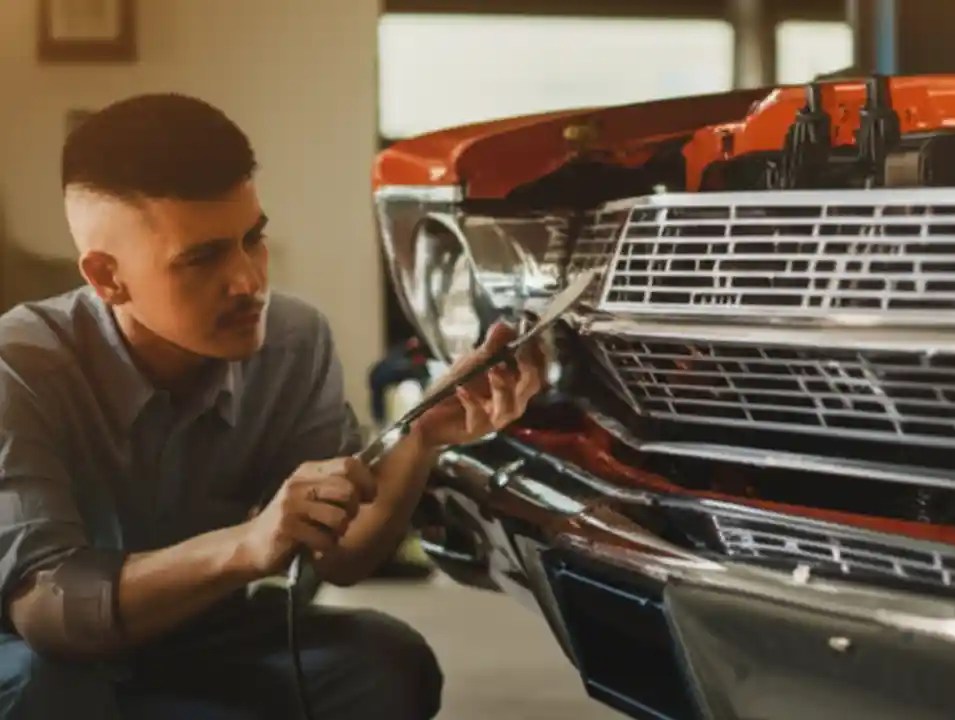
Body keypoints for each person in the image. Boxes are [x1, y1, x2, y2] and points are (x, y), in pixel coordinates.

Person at [0, 93, 546, 718]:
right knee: (45, 687)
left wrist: (422, 436)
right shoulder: (19, 363)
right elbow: (48, 610)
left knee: (388, 664)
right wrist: (247, 545)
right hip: (34, 653)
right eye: (202, 257)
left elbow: (342, 557)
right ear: (106, 277)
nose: (250, 281)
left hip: (200, 637)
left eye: (252, 239)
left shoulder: (294, 341)